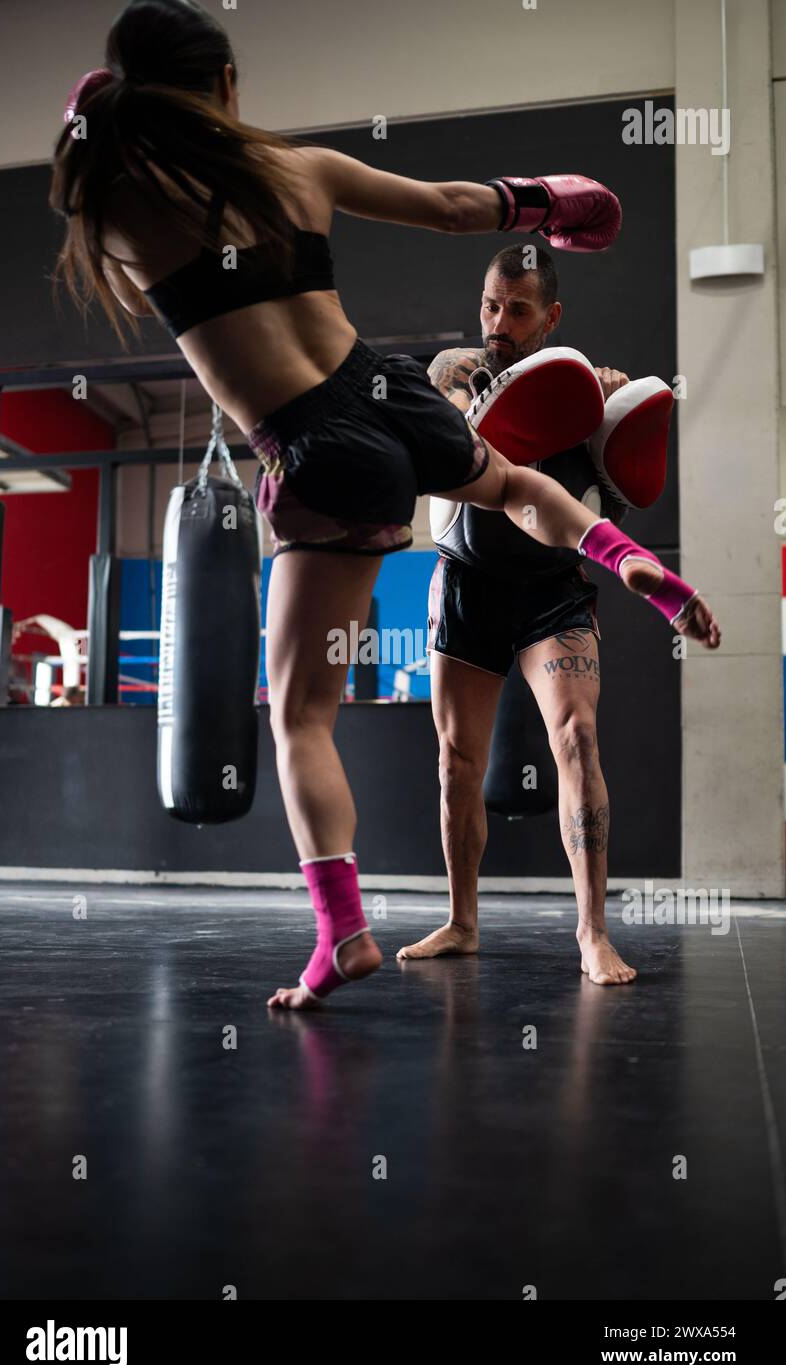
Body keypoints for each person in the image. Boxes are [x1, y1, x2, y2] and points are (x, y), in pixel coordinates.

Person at [50, 0, 720, 1010]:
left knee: (301, 718)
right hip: (386, 389)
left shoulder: (119, 208)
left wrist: (89, 115)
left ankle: (341, 933)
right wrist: (553, 200)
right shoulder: (301, 172)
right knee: (513, 482)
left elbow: (76, 170)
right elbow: (455, 205)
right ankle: (628, 556)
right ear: (229, 88)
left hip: (317, 447)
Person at [399, 244, 675, 984]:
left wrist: (607, 418)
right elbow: (462, 442)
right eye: (490, 304)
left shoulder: (589, 400)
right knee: (457, 760)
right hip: (467, 583)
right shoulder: (454, 370)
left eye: (517, 311)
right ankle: (462, 922)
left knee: (578, 735)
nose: (498, 322)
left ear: (549, 317)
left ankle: (591, 933)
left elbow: (609, 505)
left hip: (553, 591)